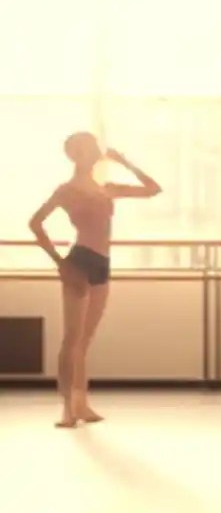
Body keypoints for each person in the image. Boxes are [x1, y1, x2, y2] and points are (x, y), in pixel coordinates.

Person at [28, 134, 161, 428]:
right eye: (85, 148)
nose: (93, 152)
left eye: (94, 147)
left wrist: (125, 161)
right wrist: (60, 262)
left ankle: (81, 403)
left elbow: (153, 189)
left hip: (102, 264)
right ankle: (66, 408)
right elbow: (35, 222)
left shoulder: (106, 189)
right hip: (79, 261)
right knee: (72, 339)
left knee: (84, 342)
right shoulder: (67, 190)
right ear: (73, 154)